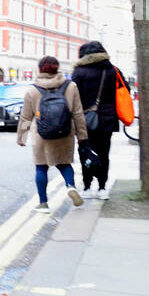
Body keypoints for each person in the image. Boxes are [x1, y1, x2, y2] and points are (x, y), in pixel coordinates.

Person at [17, 56, 89, 213]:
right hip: (65, 133)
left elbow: (26, 117)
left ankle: (43, 204)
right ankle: (71, 186)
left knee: (41, 167)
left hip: (42, 135)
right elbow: (78, 113)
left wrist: (21, 137)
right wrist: (82, 136)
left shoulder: (32, 90)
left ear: (40, 69)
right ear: (57, 68)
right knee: (64, 163)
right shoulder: (71, 87)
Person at [70, 41, 124, 199]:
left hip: (84, 119)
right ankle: (102, 187)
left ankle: (87, 187)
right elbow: (123, 90)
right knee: (104, 153)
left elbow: (74, 96)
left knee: (85, 152)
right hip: (107, 119)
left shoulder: (79, 72)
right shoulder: (112, 70)